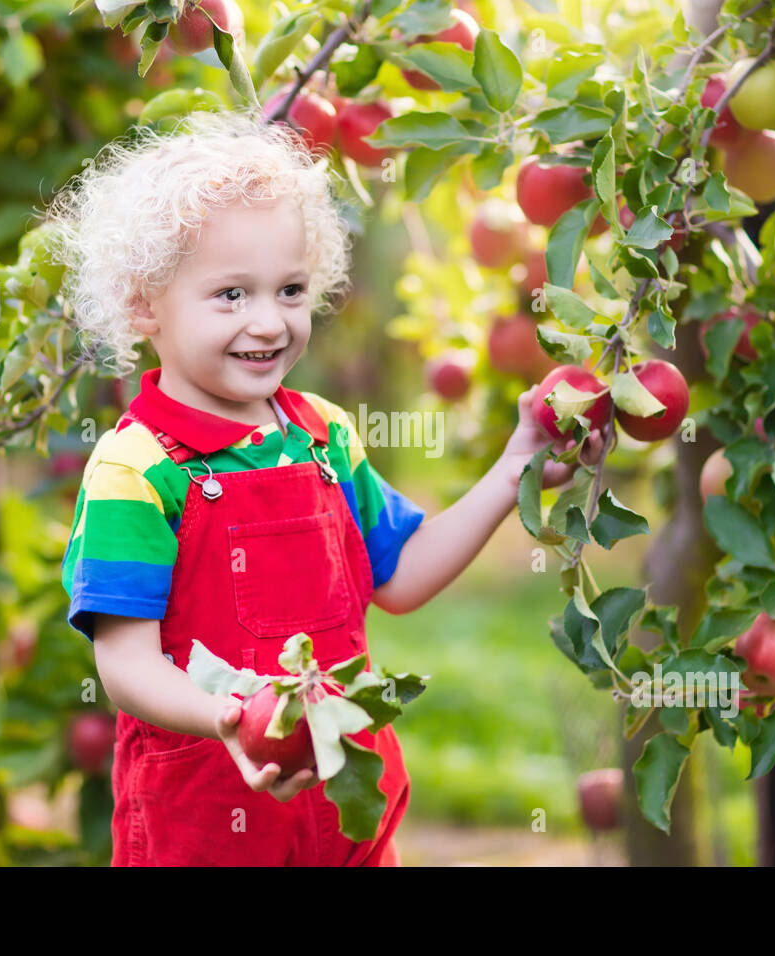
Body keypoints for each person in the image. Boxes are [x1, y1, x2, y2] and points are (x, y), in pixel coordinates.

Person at [52, 108, 607, 866]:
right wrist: (228, 716)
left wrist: (516, 467)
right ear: (144, 304)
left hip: (348, 820)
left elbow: (402, 574)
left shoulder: (323, 435)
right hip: (208, 833)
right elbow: (126, 666)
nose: (269, 321)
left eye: (289, 289)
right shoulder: (136, 469)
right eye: (230, 295)